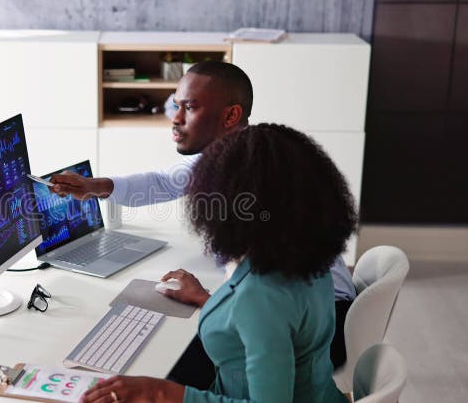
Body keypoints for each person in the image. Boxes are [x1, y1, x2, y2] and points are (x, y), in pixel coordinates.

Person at [51, 61, 356, 370]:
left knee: (166, 366)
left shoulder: (254, 173)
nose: (176, 119)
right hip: (303, 312)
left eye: (190, 108)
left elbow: (265, 313)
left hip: (317, 327)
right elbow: (163, 182)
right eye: (175, 106)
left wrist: (204, 299)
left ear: (231, 116)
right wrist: (93, 187)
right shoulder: (234, 156)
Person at [81, 123, 356, 403]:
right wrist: (208, 300)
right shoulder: (309, 260)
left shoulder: (260, 294)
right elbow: (281, 325)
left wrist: (162, 392)